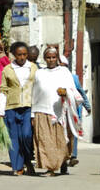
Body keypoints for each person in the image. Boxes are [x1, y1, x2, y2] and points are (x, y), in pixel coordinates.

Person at [31, 43, 80, 176]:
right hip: (42, 111)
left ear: (57, 58)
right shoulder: (39, 74)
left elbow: (72, 90)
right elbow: (34, 93)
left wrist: (65, 93)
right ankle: (50, 168)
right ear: (45, 58)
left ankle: (62, 162)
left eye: (53, 57)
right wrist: (32, 114)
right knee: (46, 141)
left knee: (61, 141)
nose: (51, 60)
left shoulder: (64, 72)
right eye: (48, 57)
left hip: (60, 112)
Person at [0, 40, 36, 175]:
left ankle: (27, 159)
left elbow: (38, 88)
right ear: (14, 55)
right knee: (13, 139)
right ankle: (17, 167)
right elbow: (3, 89)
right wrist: (1, 110)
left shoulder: (33, 68)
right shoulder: (7, 69)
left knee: (26, 135)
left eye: (24, 54)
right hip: (11, 107)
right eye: (19, 55)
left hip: (28, 106)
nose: (22, 57)